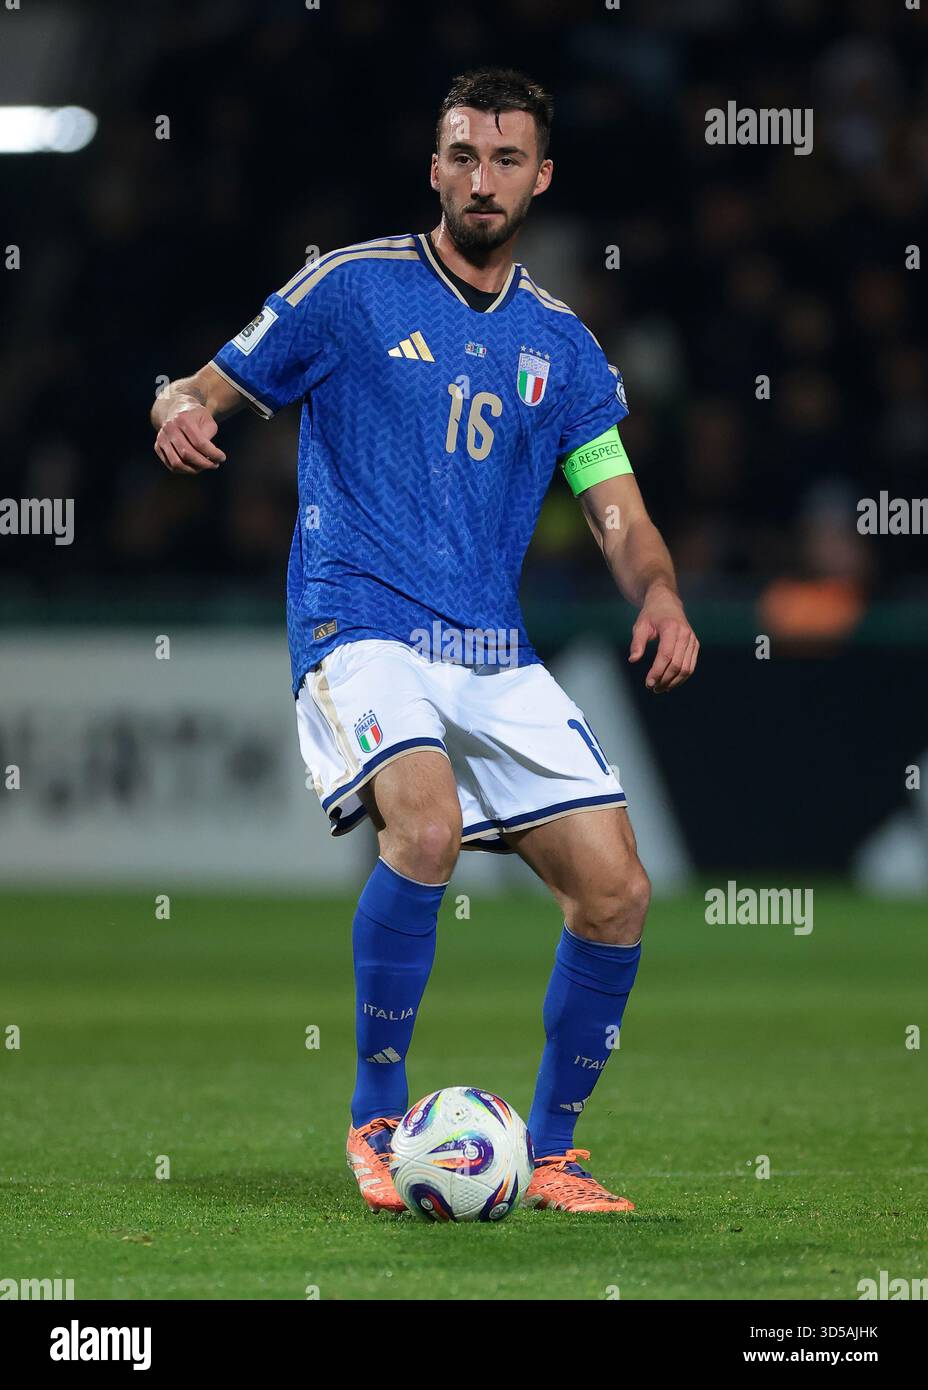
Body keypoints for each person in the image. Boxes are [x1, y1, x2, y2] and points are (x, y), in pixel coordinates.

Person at [151, 67, 698, 1214]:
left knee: (620, 893)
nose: (480, 178)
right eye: (462, 154)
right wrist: (183, 410)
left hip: (491, 648)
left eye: (506, 160)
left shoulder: (563, 346)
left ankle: (549, 1151)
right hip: (361, 623)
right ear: (434, 164)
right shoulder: (351, 290)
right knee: (428, 824)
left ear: (540, 177)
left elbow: (620, 513)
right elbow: (196, 385)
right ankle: (375, 1114)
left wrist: (657, 590)